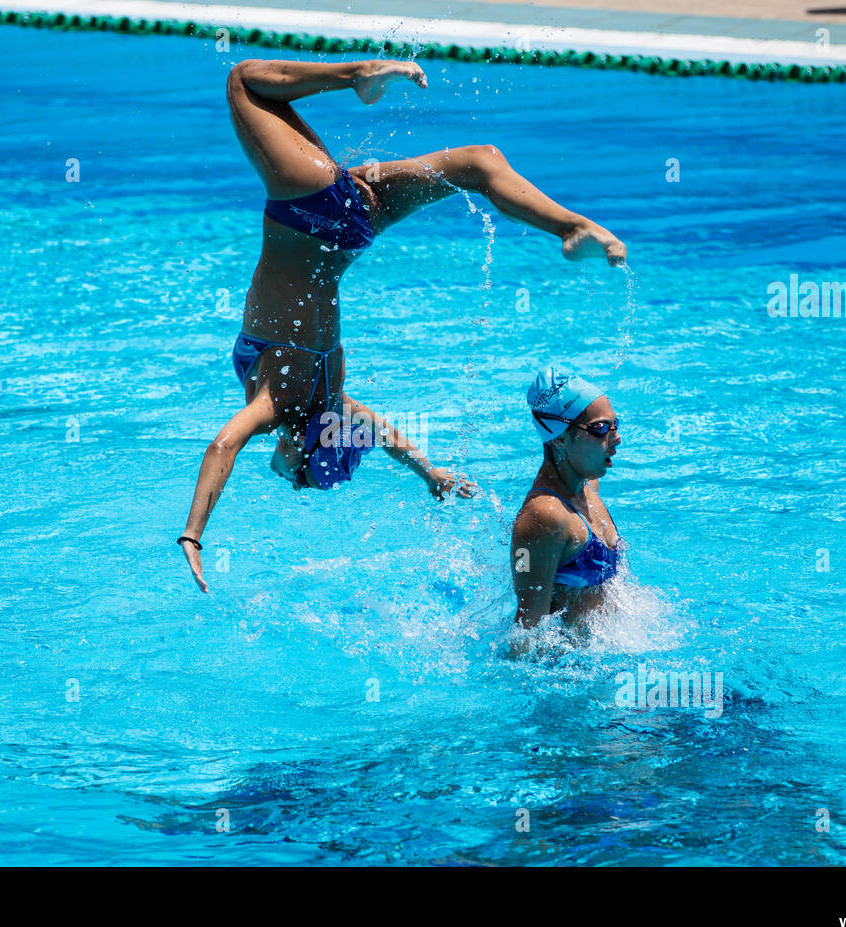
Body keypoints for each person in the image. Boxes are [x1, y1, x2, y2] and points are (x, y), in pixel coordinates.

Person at [179, 58, 628, 592]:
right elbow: (223, 447)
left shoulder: (326, 402)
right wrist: (192, 534)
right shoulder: (282, 403)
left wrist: (429, 473)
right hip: (311, 209)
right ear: (307, 443)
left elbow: (379, 432)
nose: (286, 471)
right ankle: (357, 77)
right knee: (243, 80)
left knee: (478, 163)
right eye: (296, 471)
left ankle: (571, 229)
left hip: (347, 222)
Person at [511, 367, 623, 629]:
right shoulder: (545, 517)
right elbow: (526, 629)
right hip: (569, 666)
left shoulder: (585, 486)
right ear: (561, 438)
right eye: (601, 428)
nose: (616, 438)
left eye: (616, 425)